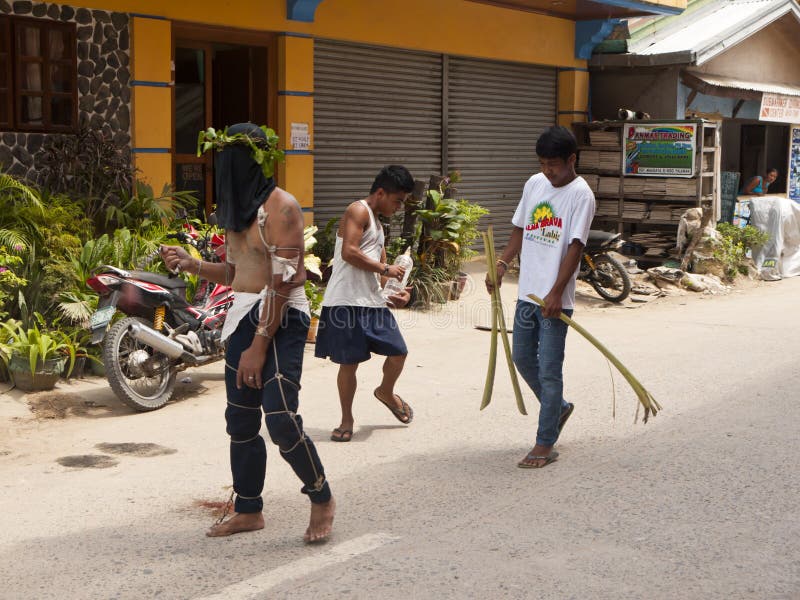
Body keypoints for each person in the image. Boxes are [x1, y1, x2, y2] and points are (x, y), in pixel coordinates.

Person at [161, 123, 334, 542]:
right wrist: (191, 263)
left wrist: (259, 346)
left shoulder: (282, 208)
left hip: (282, 318)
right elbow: (238, 274)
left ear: (250, 161)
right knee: (240, 420)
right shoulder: (238, 211)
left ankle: (321, 497)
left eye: (229, 162)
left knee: (280, 417)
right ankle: (249, 510)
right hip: (243, 316)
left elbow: (284, 282)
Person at [486, 126, 595, 469]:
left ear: (572, 159)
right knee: (521, 358)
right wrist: (502, 263)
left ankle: (545, 443)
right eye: (543, 163)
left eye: (553, 164)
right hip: (527, 294)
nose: (548, 171)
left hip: (554, 300)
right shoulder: (534, 183)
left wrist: (557, 292)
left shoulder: (581, 195)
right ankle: (558, 408)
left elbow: (576, 247)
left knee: (549, 370)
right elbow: (520, 227)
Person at [314, 165, 415, 443]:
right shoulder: (357, 210)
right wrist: (386, 269)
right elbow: (349, 252)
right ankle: (346, 420)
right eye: (397, 201)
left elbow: (379, 273)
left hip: (371, 302)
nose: (398, 207)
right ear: (381, 193)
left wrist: (396, 292)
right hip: (345, 301)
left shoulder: (379, 226)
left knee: (398, 353)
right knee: (349, 364)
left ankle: (385, 391)